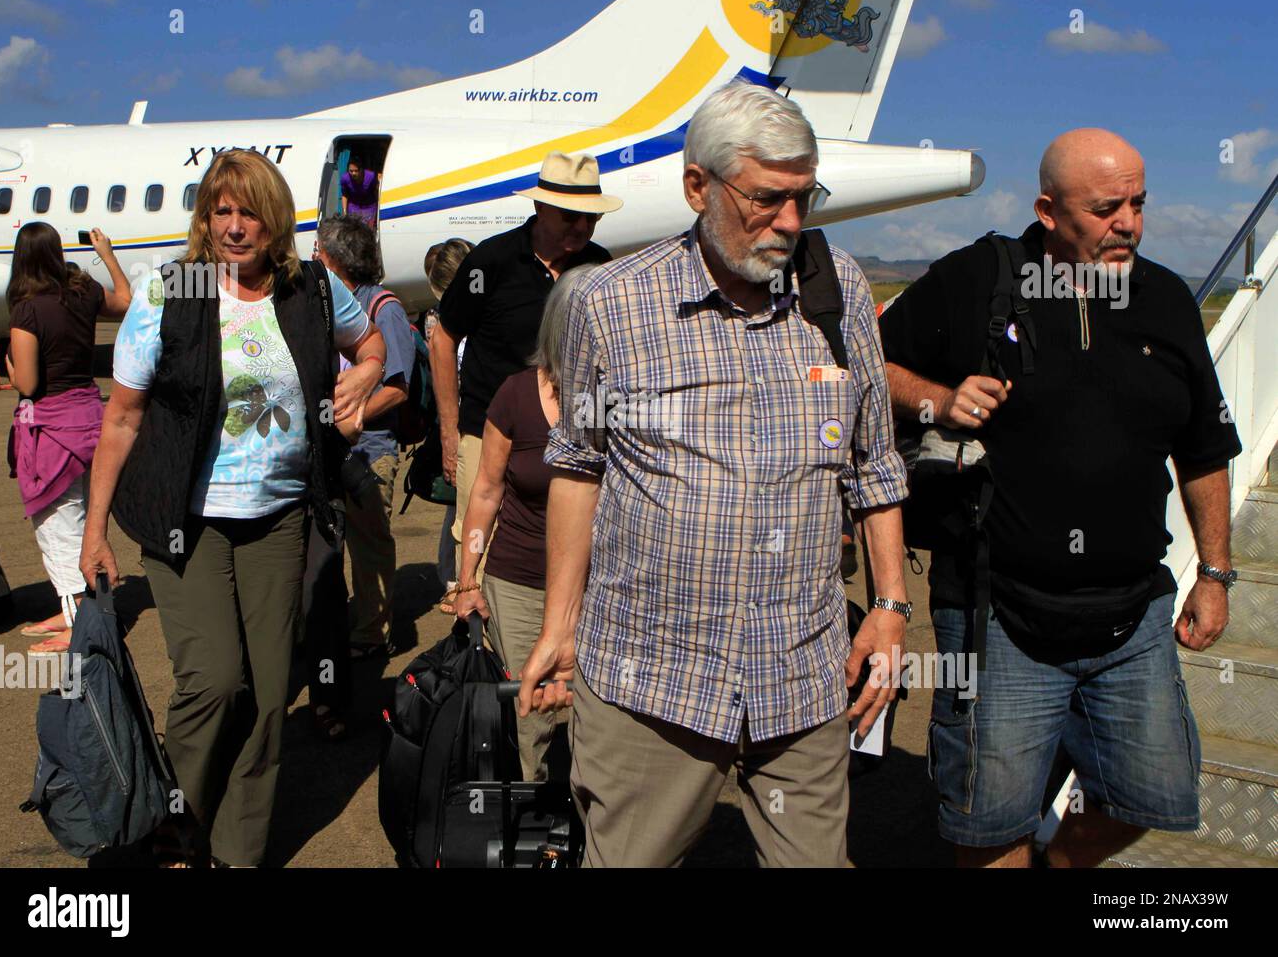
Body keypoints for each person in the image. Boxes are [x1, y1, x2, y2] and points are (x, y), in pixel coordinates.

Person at [519, 80, 911, 867]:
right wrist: (561, 623)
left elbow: (875, 465)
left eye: (806, 197)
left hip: (802, 671)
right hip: (651, 678)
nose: (792, 224)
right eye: (767, 199)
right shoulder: (610, 302)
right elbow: (578, 465)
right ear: (698, 185)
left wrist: (892, 604)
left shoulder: (840, 293)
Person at [877, 128, 1243, 868]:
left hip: (1134, 611)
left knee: (1153, 793)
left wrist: (1215, 572)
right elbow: (866, 359)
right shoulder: (977, 280)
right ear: (1047, 210)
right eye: (1108, 208)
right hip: (997, 614)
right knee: (990, 826)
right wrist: (941, 399)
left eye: (1140, 203)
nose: (1130, 224)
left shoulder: (1167, 299)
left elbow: (1203, 448)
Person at [79, 149, 386, 867]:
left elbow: (368, 343)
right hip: (187, 519)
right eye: (222, 210)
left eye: (249, 211)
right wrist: (94, 530)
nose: (235, 226)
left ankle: (237, 850)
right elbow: (121, 417)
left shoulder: (309, 288)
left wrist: (362, 376)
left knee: (272, 690)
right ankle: (175, 829)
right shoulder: (171, 290)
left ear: (273, 219)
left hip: (279, 517)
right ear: (205, 217)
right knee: (215, 678)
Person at [431, 151, 620, 582]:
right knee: (479, 544)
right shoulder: (490, 263)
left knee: (567, 541)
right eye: (571, 216)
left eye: (591, 217)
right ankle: (476, 635)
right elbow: (443, 337)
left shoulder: (599, 266)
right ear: (539, 208)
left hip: (575, 429)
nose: (582, 227)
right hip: (488, 429)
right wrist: (450, 429)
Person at [453, 264, 588, 781]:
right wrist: (466, 580)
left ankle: (590, 831)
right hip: (519, 582)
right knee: (533, 711)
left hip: (599, 584)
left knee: (591, 714)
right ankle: (532, 825)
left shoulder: (619, 401)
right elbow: (485, 492)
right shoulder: (514, 394)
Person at [5, 223, 131, 655]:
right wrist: (107, 254)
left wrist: (8, 364)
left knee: (59, 525)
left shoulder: (27, 311)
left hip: (54, 431)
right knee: (83, 514)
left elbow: (27, 382)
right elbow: (126, 302)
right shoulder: (82, 291)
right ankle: (72, 607)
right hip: (91, 421)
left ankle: (82, 620)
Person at [315, 215, 418, 659]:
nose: (313, 258)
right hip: (330, 444)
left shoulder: (383, 309)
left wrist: (350, 418)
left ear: (336, 260)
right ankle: (331, 626)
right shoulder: (327, 302)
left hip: (368, 447)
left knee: (369, 541)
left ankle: (373, 635)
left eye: (319, 252)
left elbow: (398, 388)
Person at [423, 238, 474, 611]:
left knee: (462, 510)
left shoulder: (449, 331)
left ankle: (456, 579)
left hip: (466, 429)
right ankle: (456, 580)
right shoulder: (459, 329)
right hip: (469, 428)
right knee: (462, 510)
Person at [340, 153, 381, 228]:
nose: (353, 173)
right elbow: (344, 195)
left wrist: (378, 206)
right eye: (351, 171)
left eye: (356, 171)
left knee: (368, 231)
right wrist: (345, 212)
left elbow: (376, 191)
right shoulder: (345, 179)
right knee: (354, 230)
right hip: (354, 207)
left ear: (361, 169)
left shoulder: (371, 176)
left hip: (369, 207)